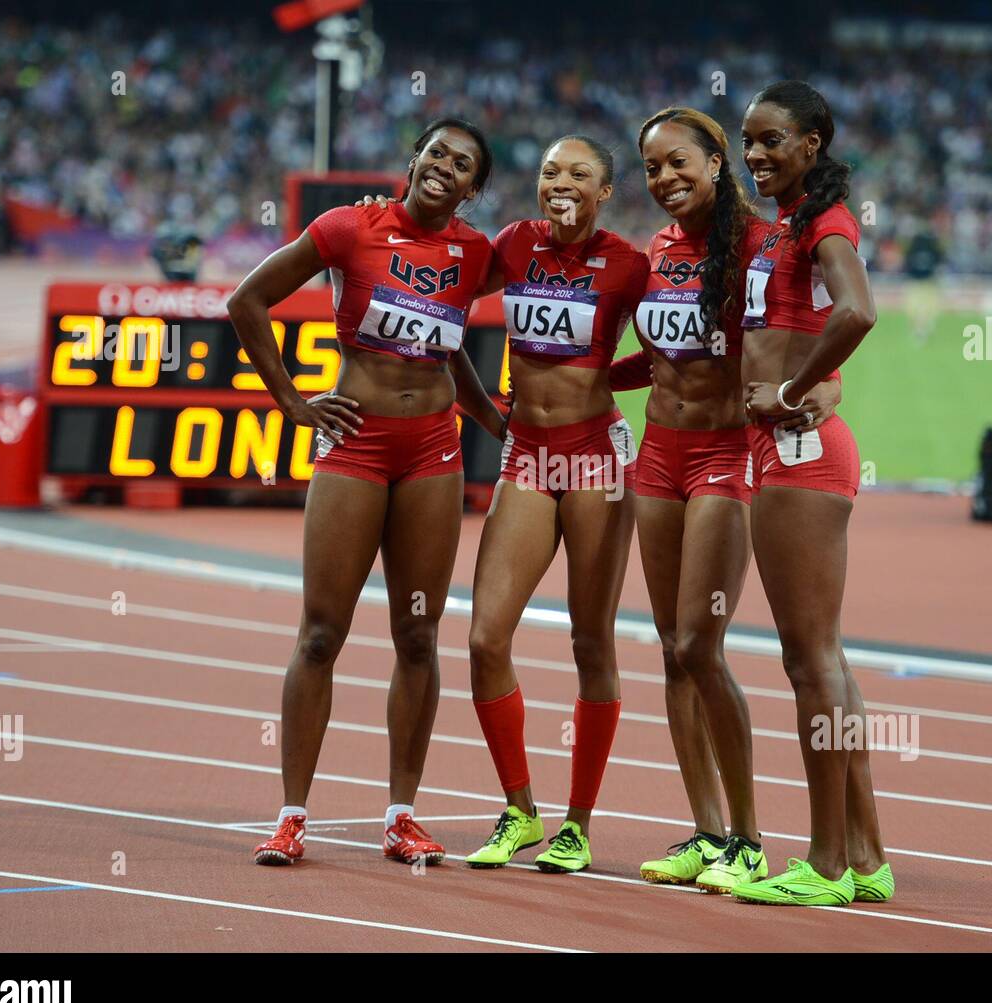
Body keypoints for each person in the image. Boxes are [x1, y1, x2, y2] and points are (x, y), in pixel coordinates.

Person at [229, 118, 507, 869]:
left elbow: (450, 340)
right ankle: (292, 817)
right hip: (354, 443)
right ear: (413, 159)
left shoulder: (477, 254)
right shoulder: (348, 228)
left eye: (463, 164)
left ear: (474, 190)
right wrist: (291, 401)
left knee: (418, 635)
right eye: (436, 153)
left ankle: (401, 815)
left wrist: (486, 411)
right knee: (322, 632)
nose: (445, 167)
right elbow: (246, 302)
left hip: (432, 452)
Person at [612, 107, 842, 893]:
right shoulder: (660, 247)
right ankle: (707, 830)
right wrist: (588, 381)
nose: (665, 178)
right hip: (656, 458)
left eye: (680, 162)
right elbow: (663, 359)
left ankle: (748, 837)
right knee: (672, 648)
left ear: (718, 162)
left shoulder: (760, 245)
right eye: (651, 168)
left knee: (700, 644)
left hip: (724, 457)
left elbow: (800, 335)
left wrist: (821, 390)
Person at [463, 135, 650, 873]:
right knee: (484, 636)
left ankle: (577, 824)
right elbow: (440, 290)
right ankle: (519, 808)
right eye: (549, 172)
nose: (560, 182)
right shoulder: (514, 244)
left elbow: (676, 349)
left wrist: (607, 372)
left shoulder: (628, 265)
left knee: (590, 640)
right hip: (528, 456)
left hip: (598, 457)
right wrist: (481, 410)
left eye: (578, 173)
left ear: (605, 192)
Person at [732, 81, 893, 906]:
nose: (754, 154)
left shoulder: (826, 223)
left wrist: (796, 389)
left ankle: (825, 863)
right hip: (787, 446)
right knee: (823, 656)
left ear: (813, 142)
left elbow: (858, 312)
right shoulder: (783, 224)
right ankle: (865, 855)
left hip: (800, 450)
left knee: (809, 661)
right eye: (748, 140)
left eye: (771, 141)